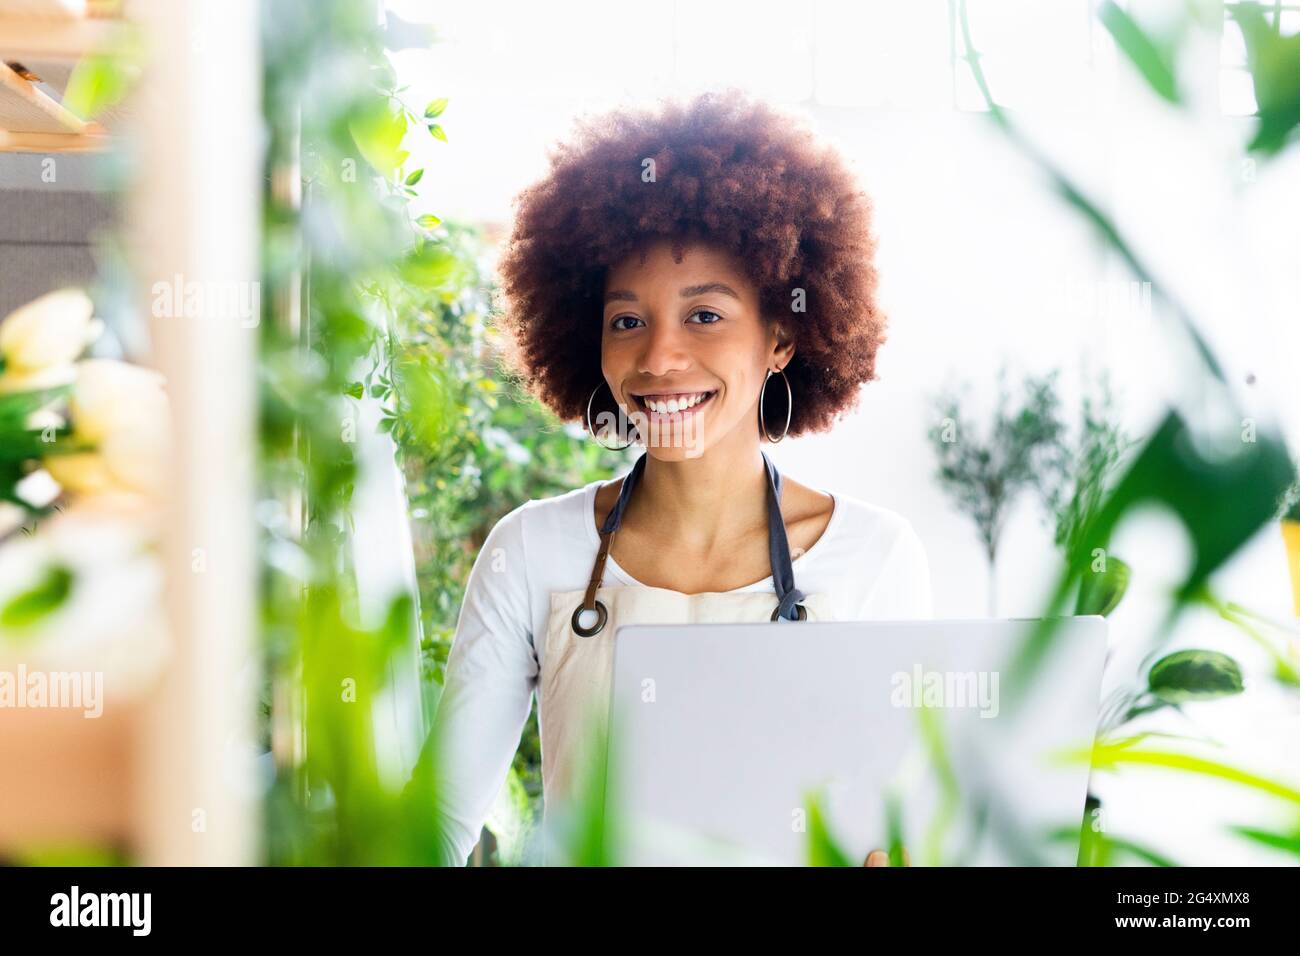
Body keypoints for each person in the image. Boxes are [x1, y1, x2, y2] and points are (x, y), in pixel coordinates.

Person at [419, 88, 932, 866]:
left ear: (783, 338)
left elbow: (910, 831)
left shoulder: (874, 556)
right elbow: (434, 828)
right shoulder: (532, 550)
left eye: (705, 315)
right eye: (627, 320)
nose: (658, 359)